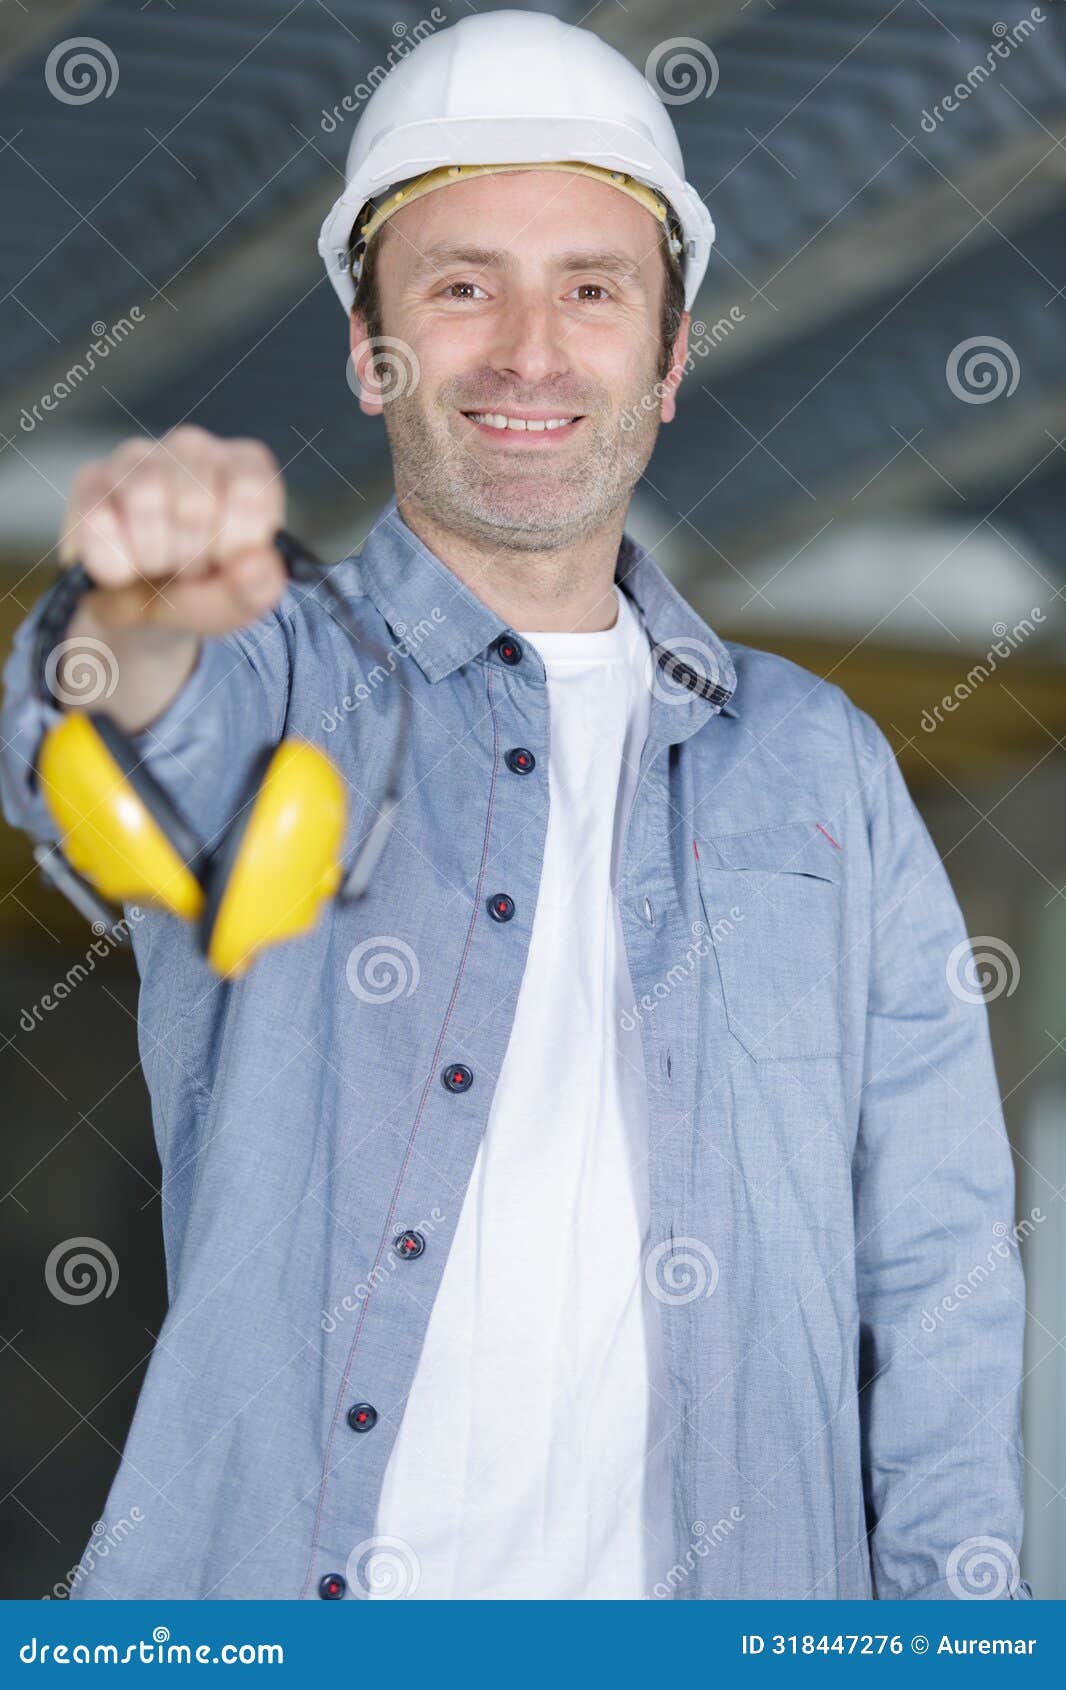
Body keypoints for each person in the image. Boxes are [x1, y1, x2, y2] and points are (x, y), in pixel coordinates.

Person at [0, 11, 1030, 1602]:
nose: (529, 351)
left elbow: (936, 1250)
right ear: (370, 350)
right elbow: (107, 737)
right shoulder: (277, 675)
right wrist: (132, 606)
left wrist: (953, 1623)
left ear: (668, 360)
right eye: (462, 286)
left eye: (592, 290)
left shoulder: (818, 764)